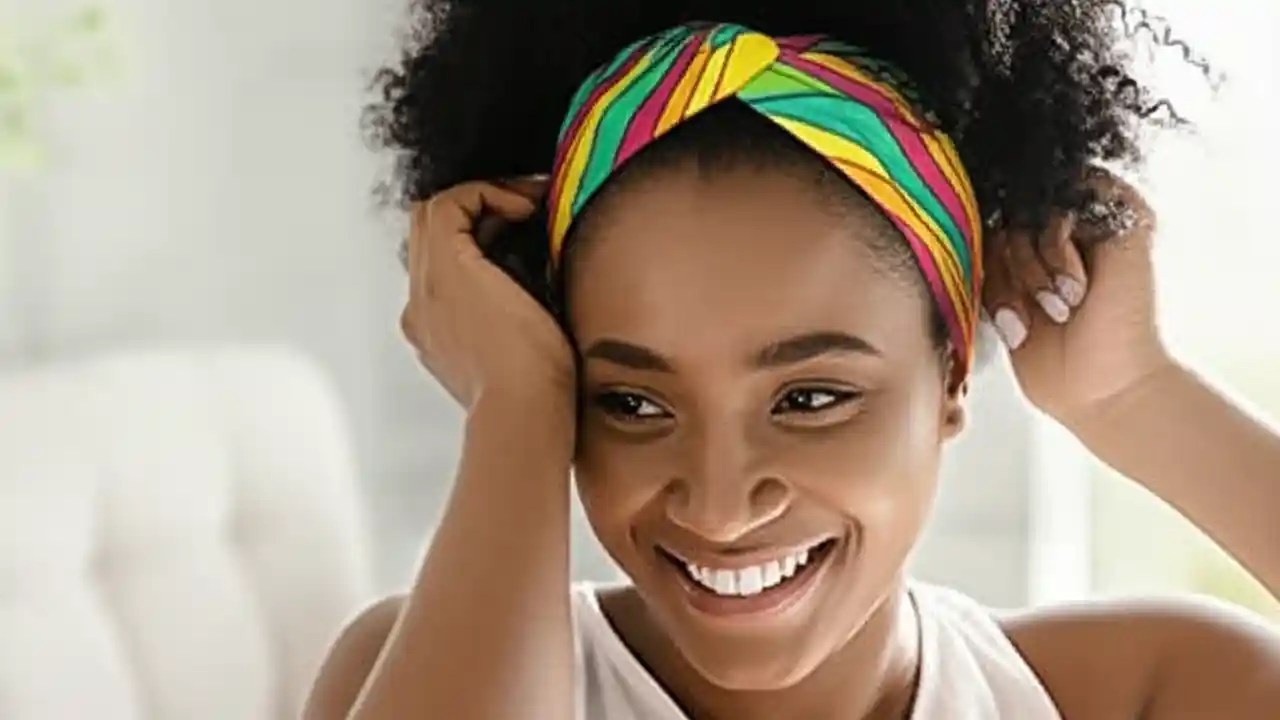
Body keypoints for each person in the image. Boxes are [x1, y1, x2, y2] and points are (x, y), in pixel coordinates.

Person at [307, 3, 1280, 718]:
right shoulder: (405, 670)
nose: (719, 506)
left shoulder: (1143, 694)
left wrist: (1133, 398)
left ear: (949, 377)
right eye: (631, 403)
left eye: (809, 396)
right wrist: (512, 408)